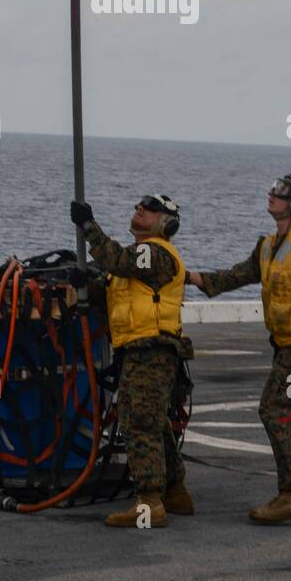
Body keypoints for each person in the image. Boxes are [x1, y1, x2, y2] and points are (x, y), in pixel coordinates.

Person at [187, 173, 291, 524]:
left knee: (276, 411)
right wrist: (191, 277)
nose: (272, 195)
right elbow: (238, 275)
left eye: (281, 193)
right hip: (288, 347)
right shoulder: (271, 245)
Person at [70, 193, 192, 528]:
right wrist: (89, 287)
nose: (140, 209)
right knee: (153, 420)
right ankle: (174, 490)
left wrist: (88, 227)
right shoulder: (139, 256)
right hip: (138, 348)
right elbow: (120, 290)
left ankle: (149, 502)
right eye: (140, 205)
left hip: (150, 349)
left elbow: (119, 261)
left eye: (150, 209)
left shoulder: (153, 253)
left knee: (139, 423)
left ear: (165, 222)